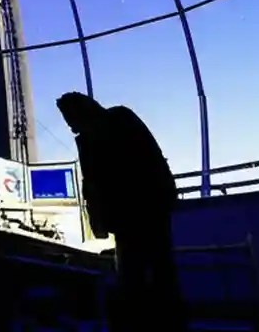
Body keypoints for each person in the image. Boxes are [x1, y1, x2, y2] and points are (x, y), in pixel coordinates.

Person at [56, 91, 185, 331]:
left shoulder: (101, 132)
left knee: (138, 278)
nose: (70, 127)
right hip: (145, 211)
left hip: (136, 214)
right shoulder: (118, 120)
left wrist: (101, 218)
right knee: (157, 273)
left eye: (69, 119)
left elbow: (98, 180)